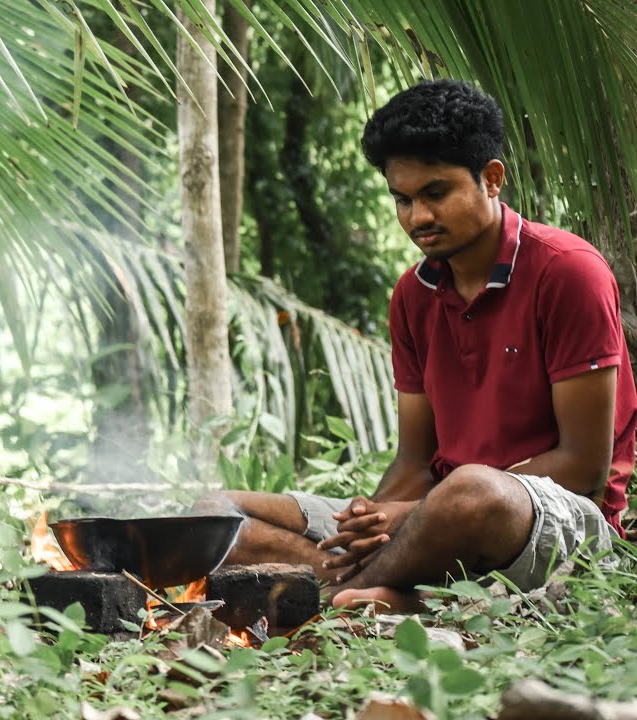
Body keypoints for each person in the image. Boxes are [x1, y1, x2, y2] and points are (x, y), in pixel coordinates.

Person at [195, 79, 636, 612]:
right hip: (436, 517)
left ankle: (336, 596)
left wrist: (417, 513)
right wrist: (367, 522)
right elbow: (414, 461)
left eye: (435, 193)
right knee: (215, 513)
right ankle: (389, 590)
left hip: (556, 523)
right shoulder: (413, 294)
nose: (417, 218)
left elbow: (585, 466)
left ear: (492, 178)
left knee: (471, 490)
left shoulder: (568, 272)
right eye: (402, 199)